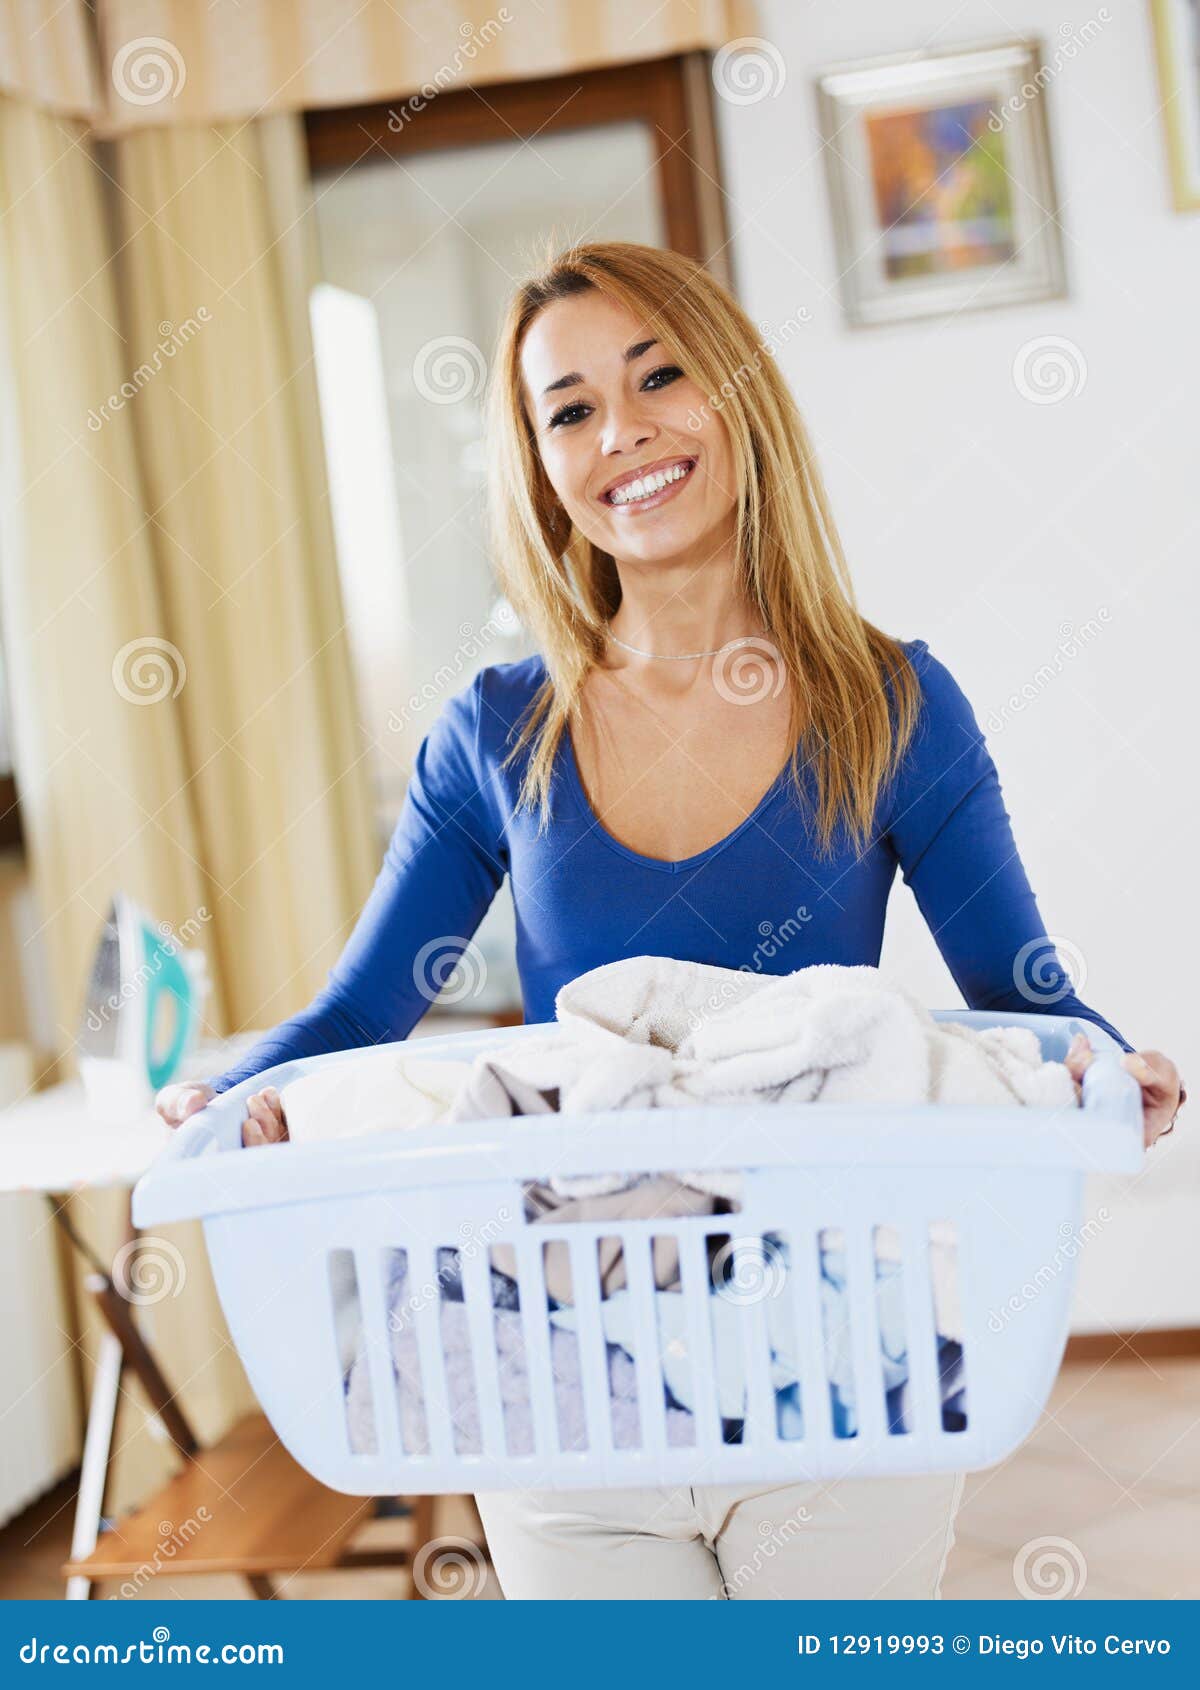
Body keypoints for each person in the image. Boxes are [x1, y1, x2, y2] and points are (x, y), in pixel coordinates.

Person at [156, 240, 1184, 1599]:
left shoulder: (893, 707)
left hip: (833, 1361)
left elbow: (1024, 994)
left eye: (658, 376)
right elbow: (360, 1012)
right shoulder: (497, 734)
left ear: (735, 396)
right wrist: (235, 1086)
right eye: (568, 409)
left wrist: (1117, 1062)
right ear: (540, 466)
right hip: (565, 1370)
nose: (621, 431)